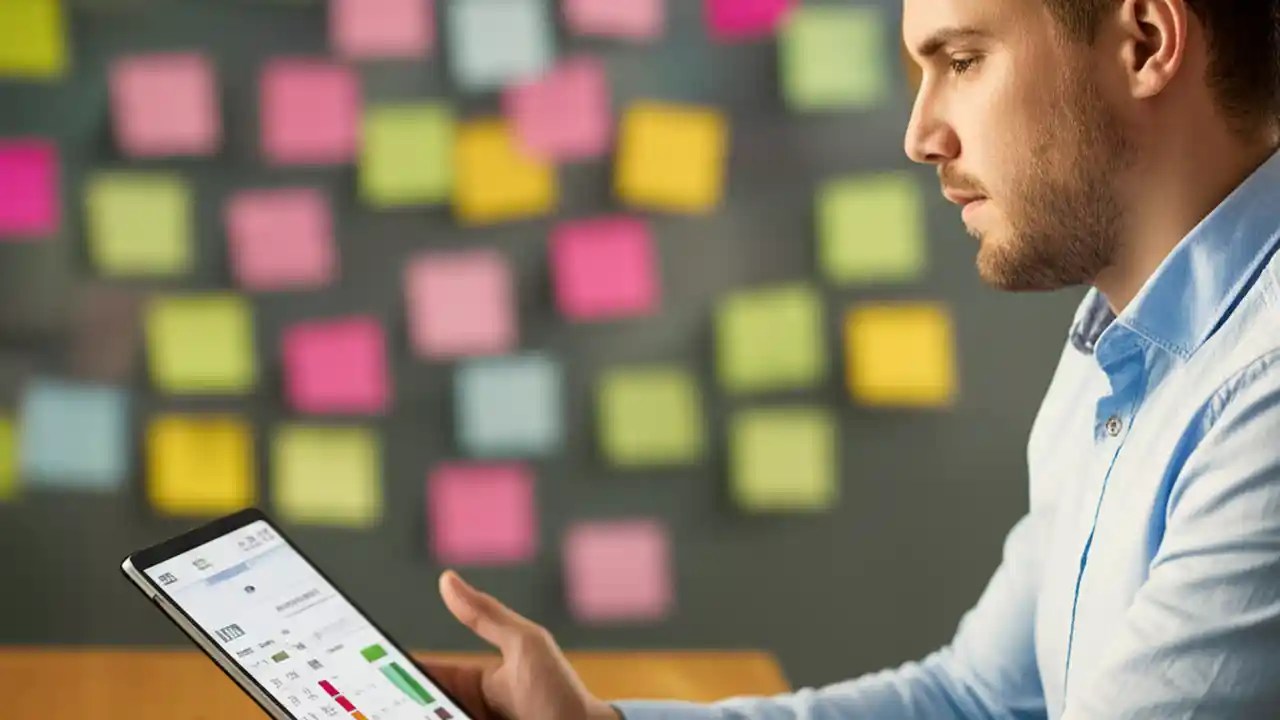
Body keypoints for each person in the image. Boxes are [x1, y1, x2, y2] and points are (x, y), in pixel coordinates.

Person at [421, 0, 1280, 716]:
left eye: (965, 60)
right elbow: (978, 698)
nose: (920, 134)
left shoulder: (1263, 398)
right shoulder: (1116, 349)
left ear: (1145, 43)